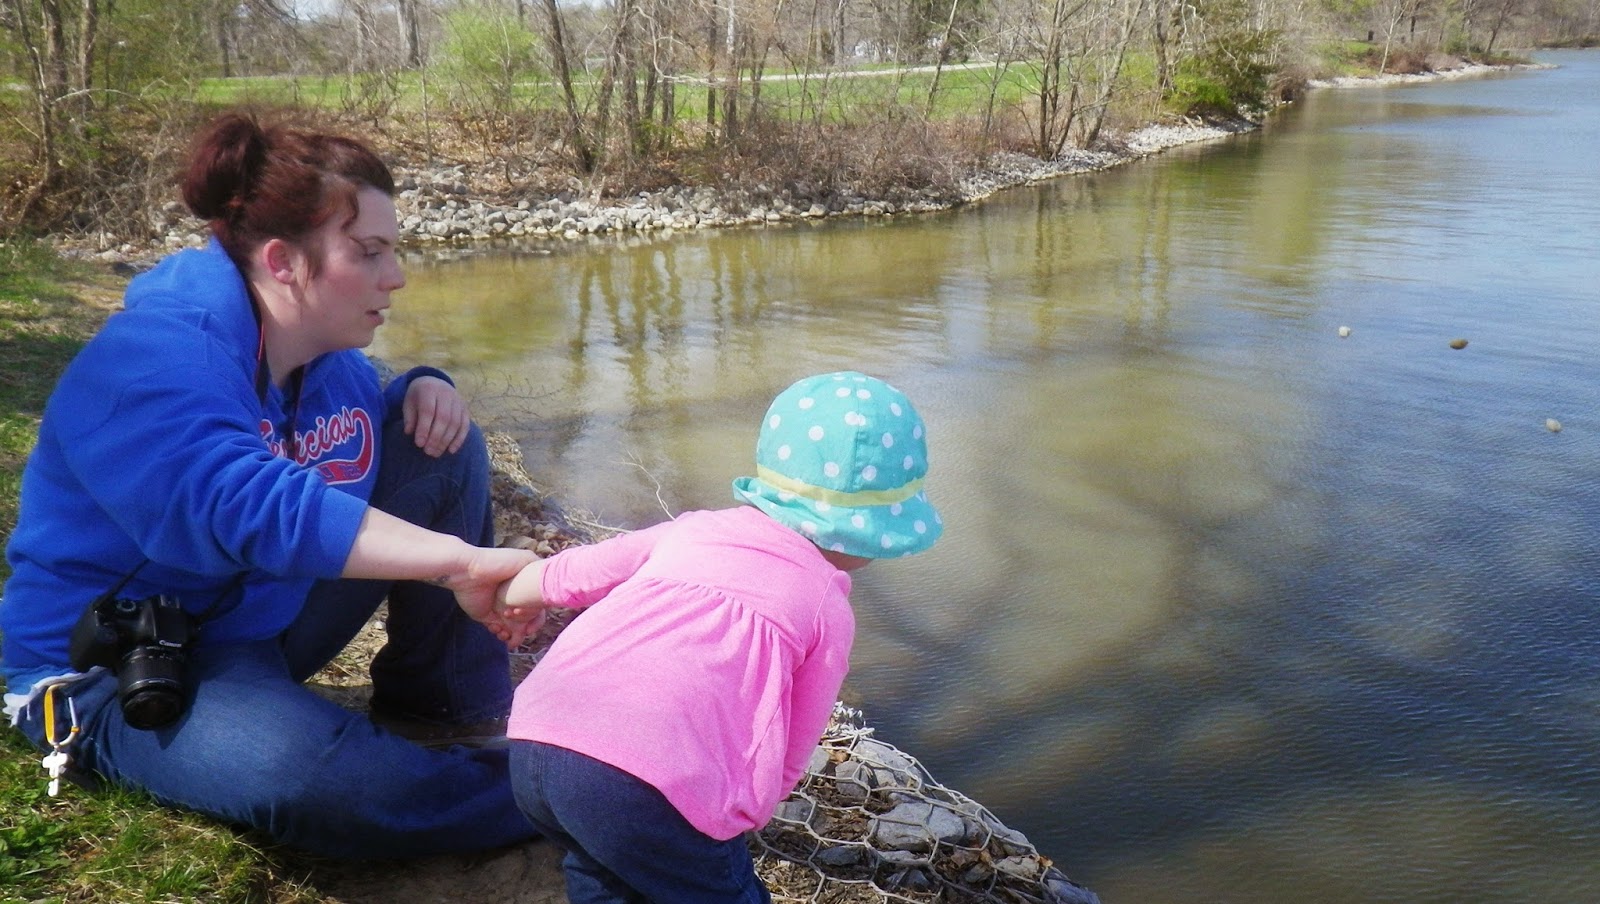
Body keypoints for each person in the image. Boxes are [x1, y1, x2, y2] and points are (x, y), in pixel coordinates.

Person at [0, 112, 540, 858]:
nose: (397, 276)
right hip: (110, 666)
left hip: (256, 625)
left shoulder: (325, 358)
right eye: (370, 252)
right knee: (315, 780)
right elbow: (245, 503)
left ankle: (445, 705)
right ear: (283, 261)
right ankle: (575, 786)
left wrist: (425, 384)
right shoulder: (148, 361)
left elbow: (360, 425)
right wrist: (460, 563)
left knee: (438, 440)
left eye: (394, 250)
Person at [488, 370, 944, 903]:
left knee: (601, 867)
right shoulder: (826, 607)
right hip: (639, 785)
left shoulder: (694, 529)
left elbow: (583, 571)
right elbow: (791, 742)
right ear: (869, 532)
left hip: (535, 738)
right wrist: (743, 812)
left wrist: (513, 592)